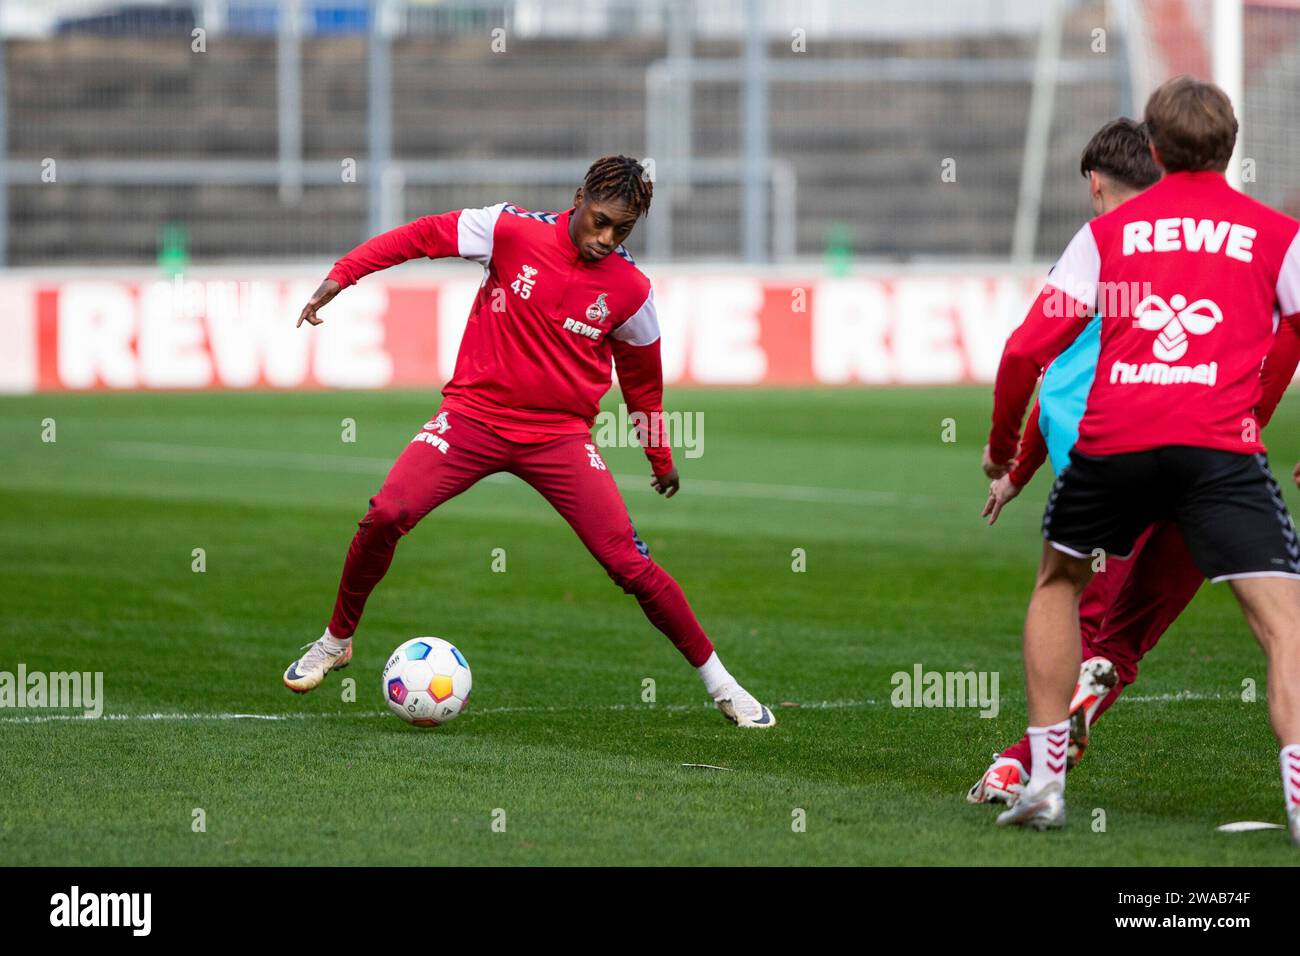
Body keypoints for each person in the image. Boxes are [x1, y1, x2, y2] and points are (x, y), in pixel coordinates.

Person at [283, 155, 775, 729]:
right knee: (388, 511)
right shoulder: (508, 230)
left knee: (630, 565)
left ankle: (724, 686)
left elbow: (644, 386)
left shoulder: (631, 291)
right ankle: (336, 640)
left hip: (559, 438)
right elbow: (419, 237)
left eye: (622, 230)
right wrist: (343, 274)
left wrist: (659, 457)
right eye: (599, 221)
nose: (606, 238)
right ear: (577, 198)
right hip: (472, 417)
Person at [985, 77, 1300, 843]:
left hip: (1114, 444)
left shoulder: (1108, 235)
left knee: (1057, 585)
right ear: (1231, 150)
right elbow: (1291, 337)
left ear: (1155, 151)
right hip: (1220, 449)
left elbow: (1027, 348)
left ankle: (1044, 783)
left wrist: (1001, 455)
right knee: (1285, 623)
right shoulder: (1278, 236)